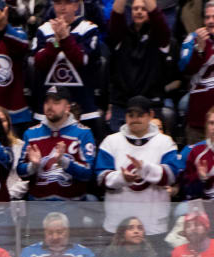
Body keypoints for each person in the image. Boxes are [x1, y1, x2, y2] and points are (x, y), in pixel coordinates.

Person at [95, 96, 180, 236]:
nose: (135, 119)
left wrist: (145, 168)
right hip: (119, 223)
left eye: (140, 115)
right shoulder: (111, 142)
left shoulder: (165, 142)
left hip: (154, 223)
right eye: (131, 115)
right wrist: (122, 178)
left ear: (151, 115)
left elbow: (171, 176)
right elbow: (101, 178)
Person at [31, 0, 103, 131]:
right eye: (58, 3)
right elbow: (39, 63)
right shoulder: (44, 30)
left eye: (68, 3)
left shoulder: (89, 29)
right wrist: (56, 42)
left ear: (76, 6)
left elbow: (82, 61)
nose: (62, 7)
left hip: (83, 110)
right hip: (48, 112)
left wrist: (65, 38)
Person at [17, 88, 99, 202]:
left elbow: (88, 174)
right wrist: (33, 166)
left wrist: (64, 161)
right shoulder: (31, 134)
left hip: (73, 206)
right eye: (47, 102)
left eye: (56, 103)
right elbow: (20, 172)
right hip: (38, 207)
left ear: (67, 108)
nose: (50, 106)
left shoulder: (83, 133)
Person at [107, 0, 170, 134]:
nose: (139, 11)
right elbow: (116, 16)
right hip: (122, 104)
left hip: (151, 104)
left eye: (143, 8)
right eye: (135, 8)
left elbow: (158, 19)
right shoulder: (121, 36)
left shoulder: (160, 37)